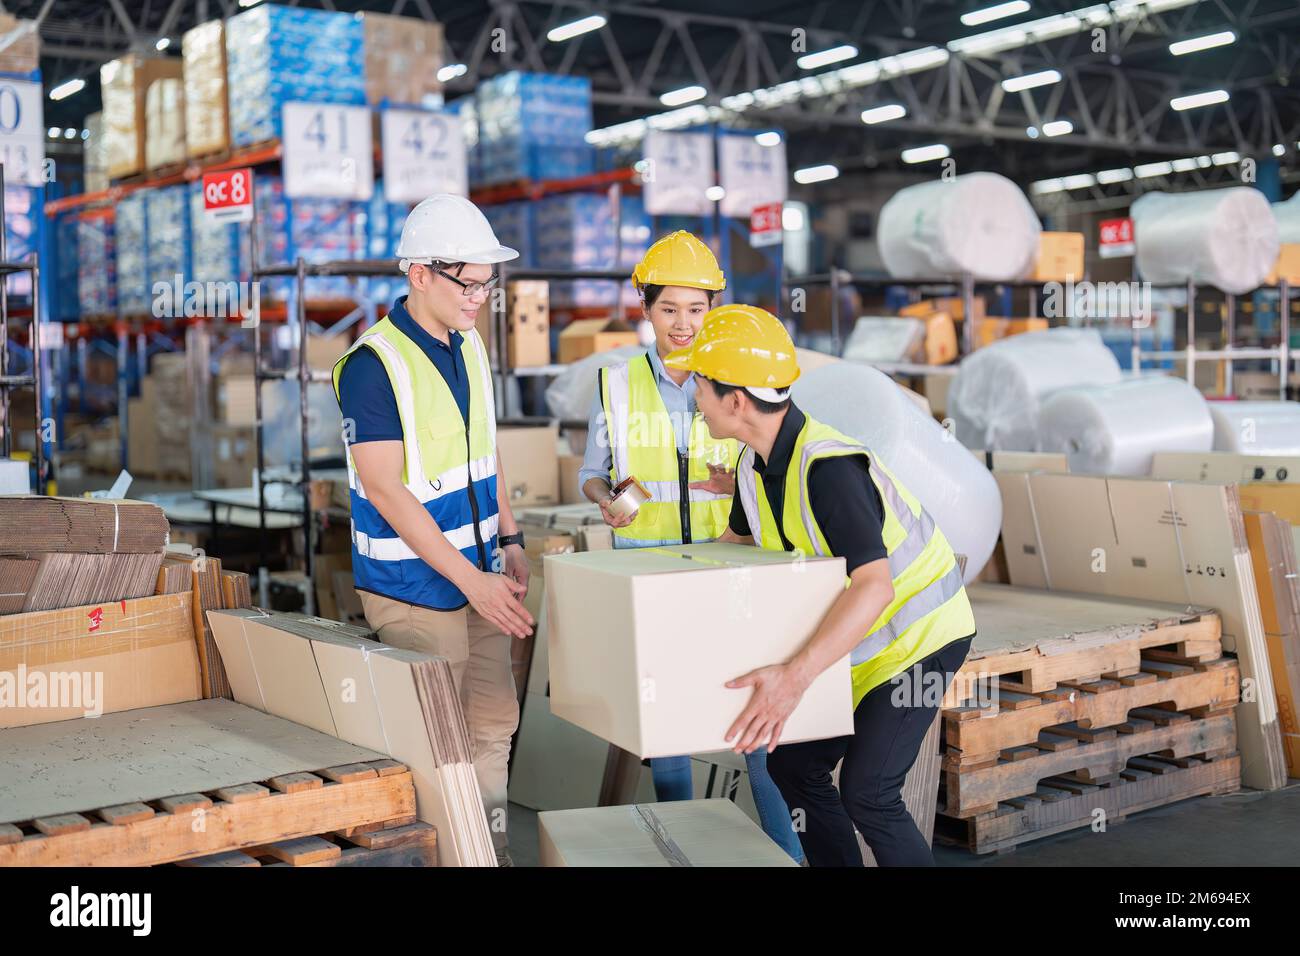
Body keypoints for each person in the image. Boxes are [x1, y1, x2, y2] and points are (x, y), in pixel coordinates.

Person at [664, 303, 976, 867]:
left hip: (919, 639)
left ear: (735, 401)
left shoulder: (829, 469)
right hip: (860, 642)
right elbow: (734, 549)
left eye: (701, 389)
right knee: (792, 767)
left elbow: (875, 587)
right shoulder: (750, 467)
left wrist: (794, 677)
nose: (696, 401)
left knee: (870, 793)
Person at [577, 231, 805, 863]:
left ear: (714, 310)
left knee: (756, 736)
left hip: (731, 575)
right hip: (648, 578)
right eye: (669, 309)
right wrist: (605, 494)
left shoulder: (739, 374)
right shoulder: (615, 384)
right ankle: (691, 852)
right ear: (645, 310)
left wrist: (733, 483)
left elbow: (775, 462)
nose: (683, 324)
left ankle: (788, 856)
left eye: (696, 309)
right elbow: (590, 471)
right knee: (667, 731)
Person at [332, 193, 533, 867]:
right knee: (436, 746)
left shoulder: (468, 343)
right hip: (415, 588)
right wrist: (473, 580)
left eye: (485, 283)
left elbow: (485, 449)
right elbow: (385, 488)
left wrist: (509, 538)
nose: (480, 297)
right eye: (468, 283)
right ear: (420, 274)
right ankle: (451, 857)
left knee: (495, 721)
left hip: (477, 576)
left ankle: (487, 850)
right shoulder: (373, 366)